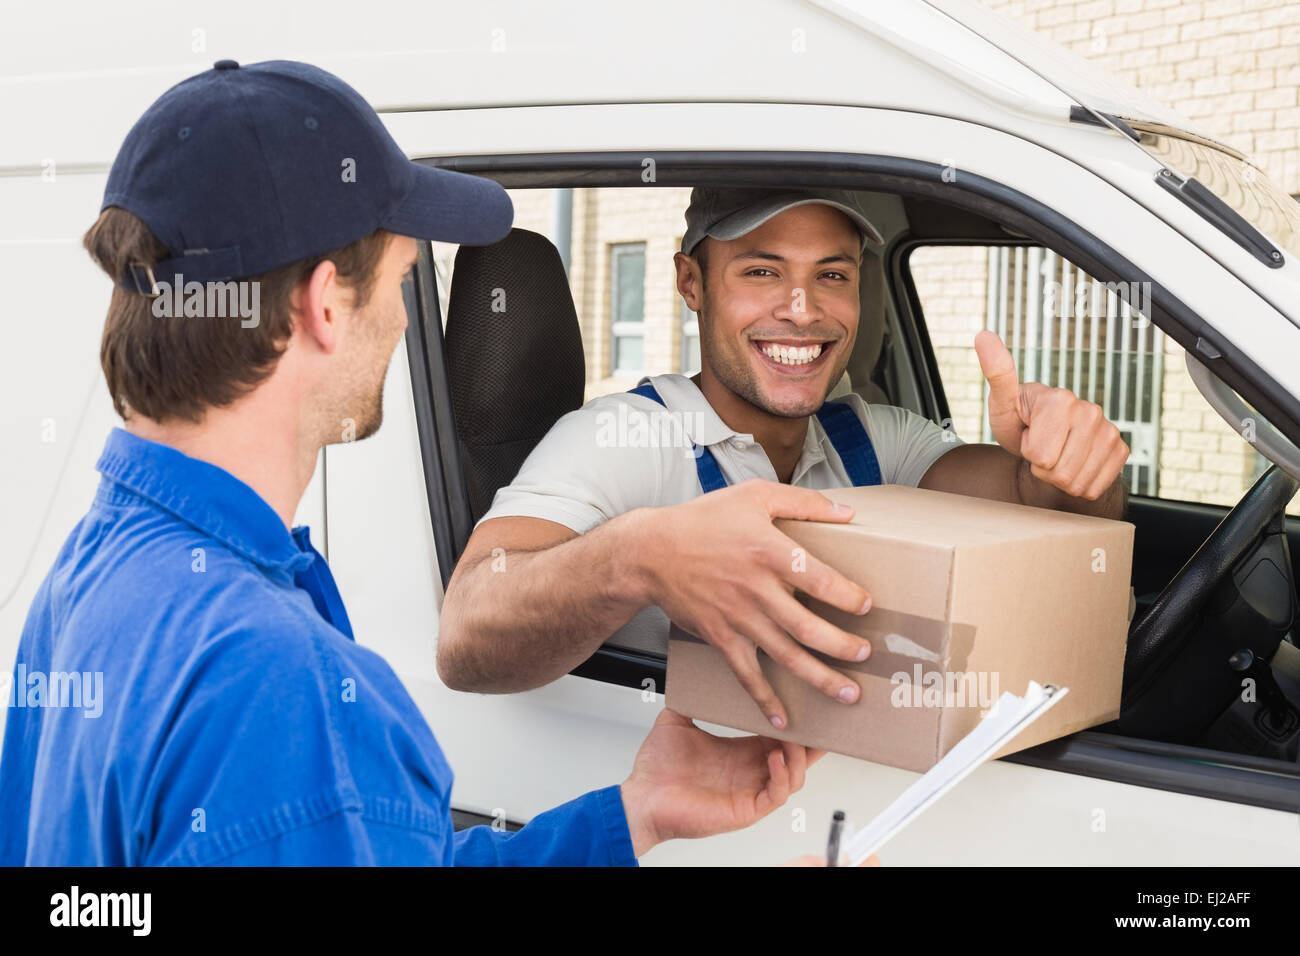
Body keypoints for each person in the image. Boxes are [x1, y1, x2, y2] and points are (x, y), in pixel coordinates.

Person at [0, 60, 834, 867]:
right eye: (404, 278)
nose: (405, 325)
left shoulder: (95, 571)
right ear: (325, 305)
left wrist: (627, 816)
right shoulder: (279, 689)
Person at [438, 186, 1131, 731]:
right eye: (762, 270)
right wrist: (642, 556)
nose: (802, 310)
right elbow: (466, 631)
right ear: (692, 284)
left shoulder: (872, 440)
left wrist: (1070, 463)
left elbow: (1037, 507)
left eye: (831, 274)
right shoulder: (622, 439)